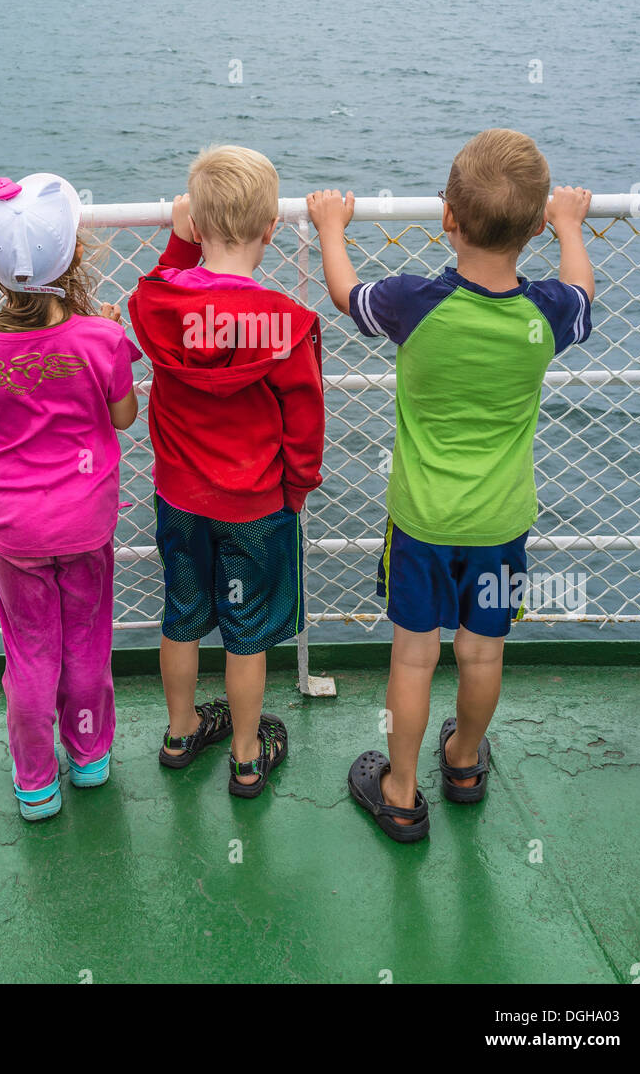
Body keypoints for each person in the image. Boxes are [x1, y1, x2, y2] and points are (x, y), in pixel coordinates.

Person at [307, 129, 594, 842]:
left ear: (448, 218)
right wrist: (569, 227)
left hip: (423, 521)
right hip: (501, 524)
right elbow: (582, 290)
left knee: (414, 654)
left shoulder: (414, 301)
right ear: (531, 227)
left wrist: (330, 227)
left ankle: (400, 792)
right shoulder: (547, 313)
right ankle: (463, 762)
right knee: (482, 650)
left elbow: (347, 296)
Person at [129, 145, 325, 796]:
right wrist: (295, 490)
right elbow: (305, 422)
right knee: (245, 636)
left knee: (181, 616)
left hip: (180, 499)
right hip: (256, 508)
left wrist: (181, 245)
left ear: (198, 224)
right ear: (271, 230)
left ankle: (181, 731)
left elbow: (154, 293)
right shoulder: (285, 326)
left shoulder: (155, 305)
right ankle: (246, 756)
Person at [0, 173, 140, 821]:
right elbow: (122, 418)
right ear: (77, 254)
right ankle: (88, 756)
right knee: (86, 640)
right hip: (85, 523)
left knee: (31, 652)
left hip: (14, 526)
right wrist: (105, 335)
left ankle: (36, 781)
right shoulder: (102, 339)